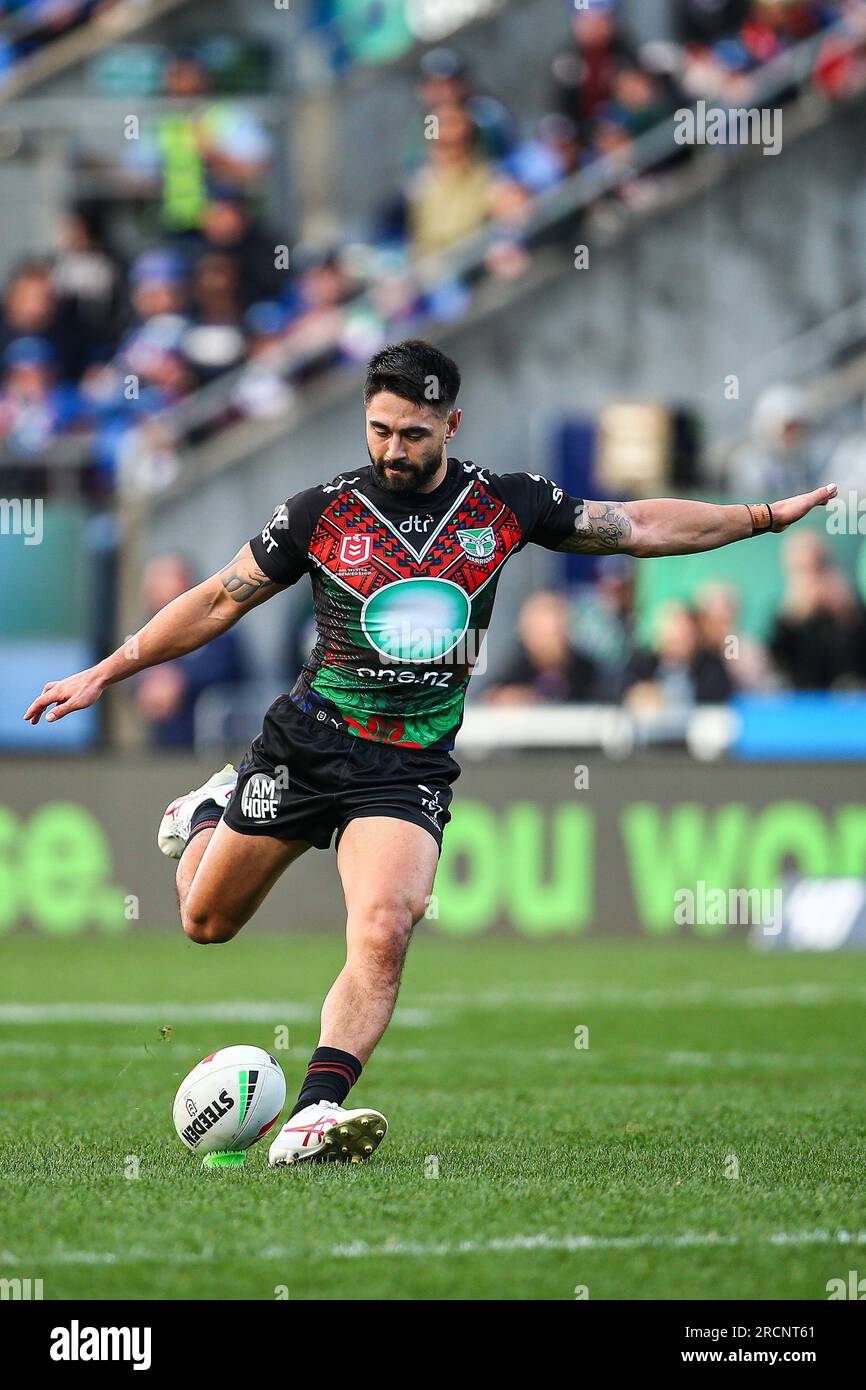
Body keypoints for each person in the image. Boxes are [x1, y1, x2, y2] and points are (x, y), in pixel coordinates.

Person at [24, 339, 838, 1168]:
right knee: (205, 922)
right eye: (379, 430)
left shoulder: (505, 505)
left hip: (406, 766)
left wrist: (761, 518)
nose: (393, 450)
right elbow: (215, 600)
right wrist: (108, 670)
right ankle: (206, 809)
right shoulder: (320, 512)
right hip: (307, 743)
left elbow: (634, 526)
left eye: (413, 434)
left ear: (451, 424)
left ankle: (314, 1111)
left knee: (385, 924)